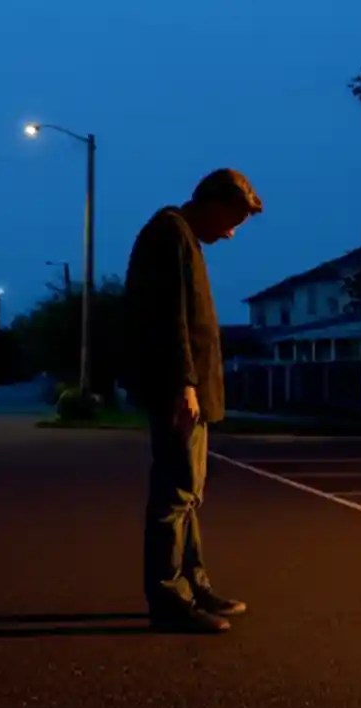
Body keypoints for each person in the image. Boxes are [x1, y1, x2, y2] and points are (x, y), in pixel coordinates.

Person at [123, 168, 264, 634]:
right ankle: (168, 599)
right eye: (233, 220)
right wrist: (185, 384)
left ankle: (193, 583)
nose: (231, 232)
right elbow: (168, 317)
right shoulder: (169, 233)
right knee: (174, 494)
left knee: (188, 495)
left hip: (189, 390)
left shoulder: (183, 237)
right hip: (177, 389)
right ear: (212, 202)